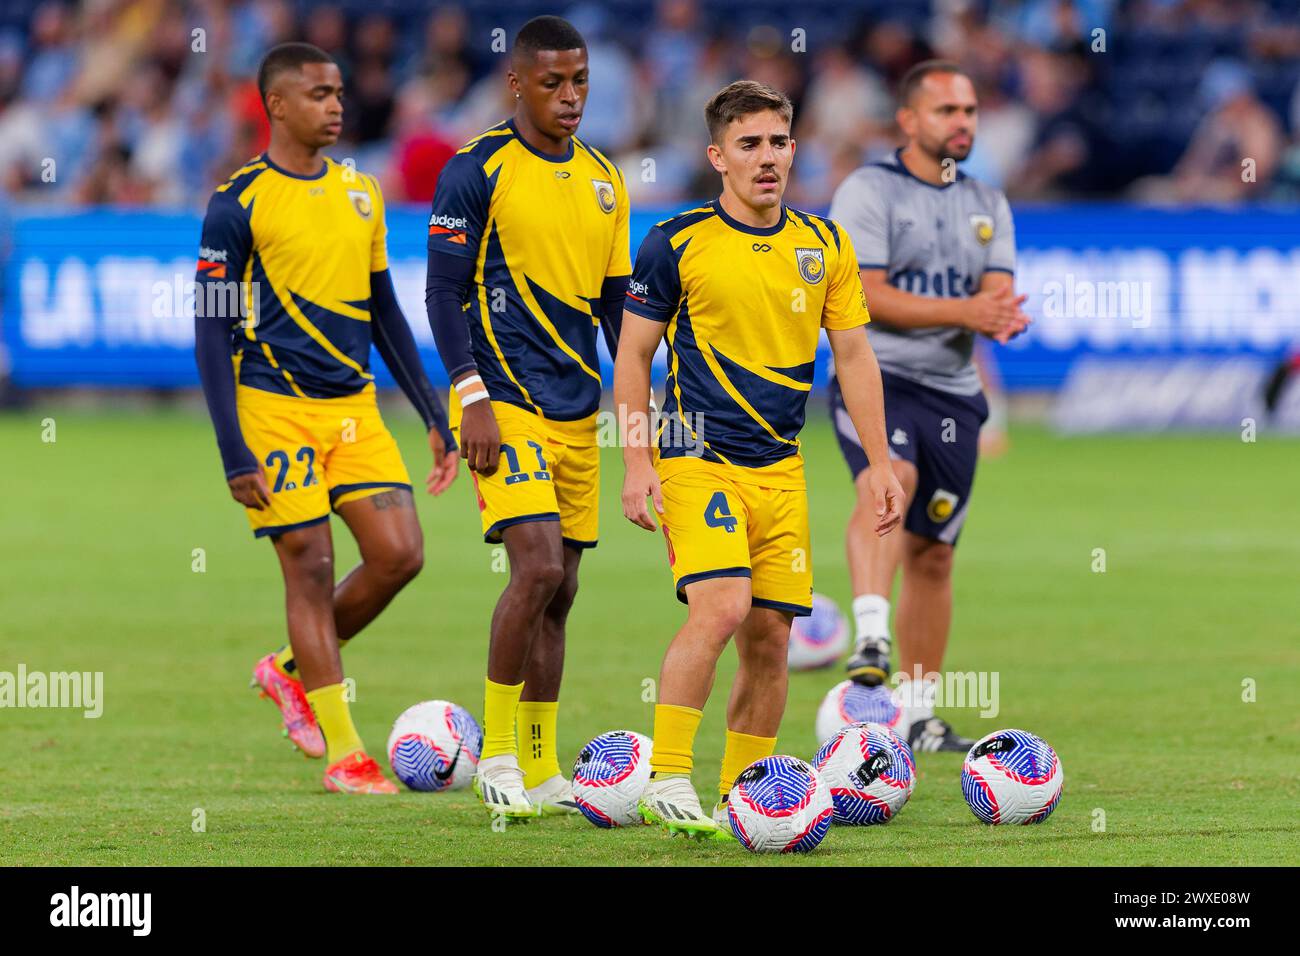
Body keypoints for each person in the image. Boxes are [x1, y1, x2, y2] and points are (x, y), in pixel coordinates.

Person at [615, 80, 903, 838]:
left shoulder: (826, 244)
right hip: (693, 454)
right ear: (718, 156)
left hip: (781, 466)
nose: (767, 157)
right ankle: (668, 778)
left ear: (793, 148)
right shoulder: (675, 242)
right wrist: (637, 463)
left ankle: (744, 795)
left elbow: (855, 357)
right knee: (721, 606)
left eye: (778, 142)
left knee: (772, 637)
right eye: (749, 145)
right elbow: (633, 357)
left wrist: (877, 461)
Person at [194, 42, 459, 794]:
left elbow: (384, 313)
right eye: (318, 93)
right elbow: (210, 328)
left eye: (339, 92)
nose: (337, 105)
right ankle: (347, 754)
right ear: (276, 105)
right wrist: (232, 450)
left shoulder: (363, 193)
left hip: (354, 412)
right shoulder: (236, 203)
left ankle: (287, 670)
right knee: (309, 563)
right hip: (273, 412)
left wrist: (432, 411)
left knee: (400, 554)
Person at [424, 16, 630, 820]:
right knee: (536, 567)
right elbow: (442, 292)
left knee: (564, 588)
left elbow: (619, 313)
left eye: (579, 81)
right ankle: (499, 755)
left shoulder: (607, 179)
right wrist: (470, 394)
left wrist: (644, 409)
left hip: (577, 407)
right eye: (553, 83)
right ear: (517, 85)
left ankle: (544, 767)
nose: (571, 96)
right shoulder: (475, 169)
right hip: (500, 400)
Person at [828, 60, 1030, 752]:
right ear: (909, 121)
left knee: (936, 555)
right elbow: (865, 295)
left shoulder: (989, 204)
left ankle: (916, 714)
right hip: (877, 380)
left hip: (954, 392)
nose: (963, 122)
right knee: (892, 484)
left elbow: (996, 294)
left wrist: (995, 314)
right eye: (946, 110)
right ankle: (871, 637)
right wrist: (969, 309)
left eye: (970, 110)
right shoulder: (869, 191)